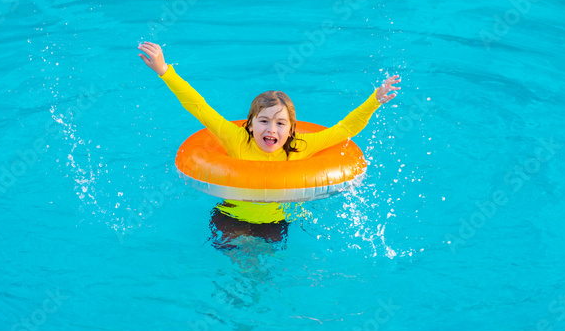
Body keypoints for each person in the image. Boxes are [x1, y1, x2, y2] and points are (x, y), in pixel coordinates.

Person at [138, 41, 400, 250]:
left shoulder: (302, 145)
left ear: (291, 130)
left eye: (280, 124)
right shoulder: (236, 138)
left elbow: (345, 129)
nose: (271, 129)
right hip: (231, 214)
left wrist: (375, 100)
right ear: (250, 125)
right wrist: (165, 71)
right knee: (239, 260)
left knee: (262, 268)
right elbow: (199, 107)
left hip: (275, 219)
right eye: (263, 121)